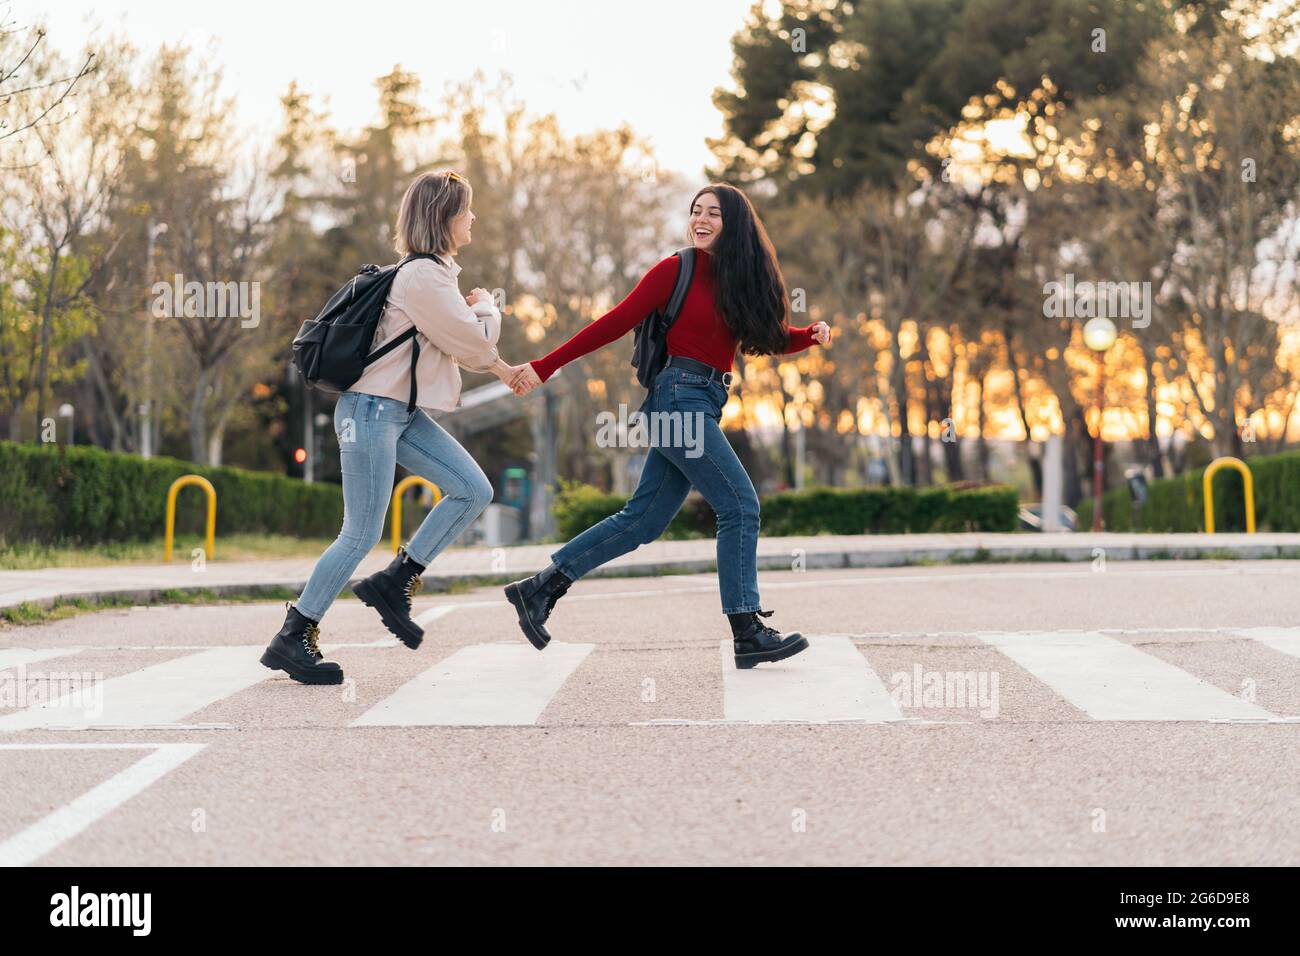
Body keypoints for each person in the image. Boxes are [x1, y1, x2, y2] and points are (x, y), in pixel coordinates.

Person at [502, 183, 832, 669]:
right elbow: (613, 322)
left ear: (734, 224)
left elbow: (766, 336)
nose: (700, 219)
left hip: (703, 400)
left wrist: (808, 336)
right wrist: (545, 365)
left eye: (713, 214)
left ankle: (539, 589)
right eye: (696, 211)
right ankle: (746, 630)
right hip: (679, 399)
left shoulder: (739, 278)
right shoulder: (676, 269)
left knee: (643, 521)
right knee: (740, 506)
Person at [261, 170, 519, 684]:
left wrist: (503, 369)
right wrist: (488, 304)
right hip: (371, 411)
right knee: (359, 533)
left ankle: (398, 577)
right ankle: (294, 634)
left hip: (397, 412)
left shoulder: (433, 276)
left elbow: (461, 346)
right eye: (466, 210)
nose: (473, 218)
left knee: (471, 488)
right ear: (444, 217)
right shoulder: (422, 277)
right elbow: (473, 341)